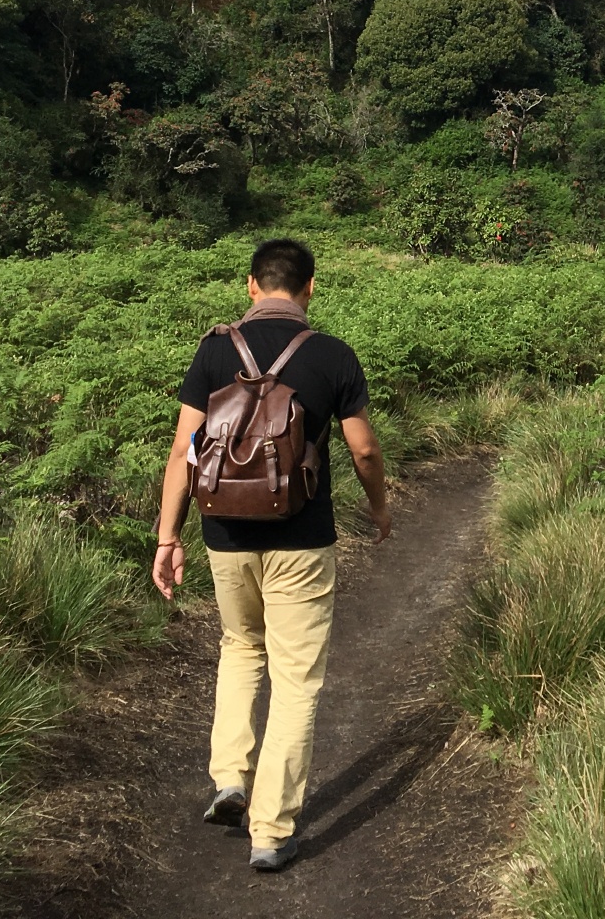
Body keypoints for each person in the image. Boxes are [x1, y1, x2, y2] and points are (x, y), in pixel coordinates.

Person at [151, 238, 390, 873]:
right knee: (296, 680)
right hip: (303, 539)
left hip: (224, 535)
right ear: (310, 288)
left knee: (239, 646)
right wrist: (380, 508)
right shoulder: (333, 356)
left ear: (251, 286)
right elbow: (364, 451)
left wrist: (167, 538)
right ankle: (270, 830)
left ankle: (229, 777)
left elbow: (184, 452)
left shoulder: (212, 351)